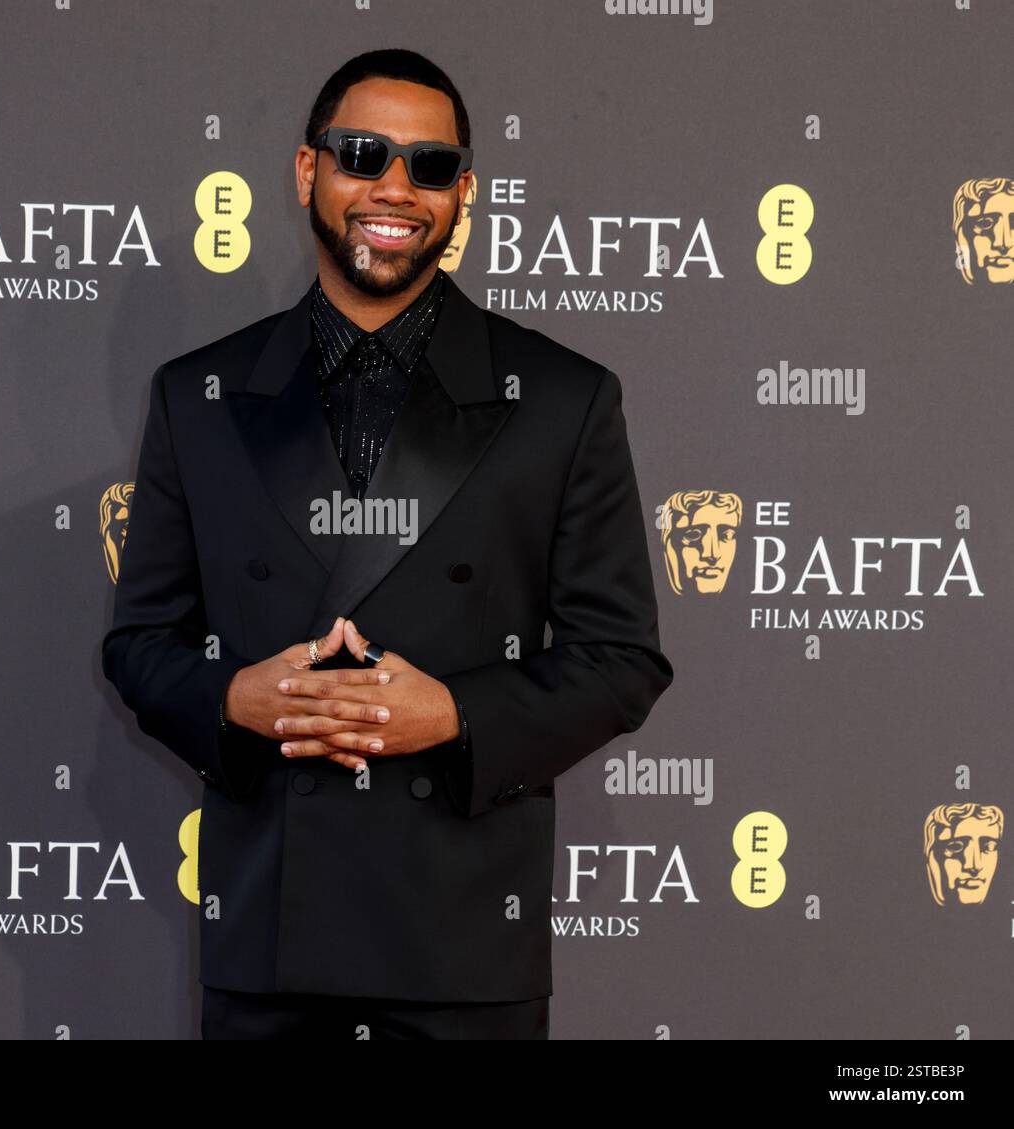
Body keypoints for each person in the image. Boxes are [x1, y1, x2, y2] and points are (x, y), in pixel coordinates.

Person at [101, 47, 673, 1040]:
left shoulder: (562, 399)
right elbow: (141, 641)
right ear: (306, 171)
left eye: (430, 166)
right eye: (362, 155)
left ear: (465, 194)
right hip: (270, 942)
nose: (393, 190)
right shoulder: (198, 396)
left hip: (463, 949)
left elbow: (620, 661)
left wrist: (451, 713)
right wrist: (236, 697)